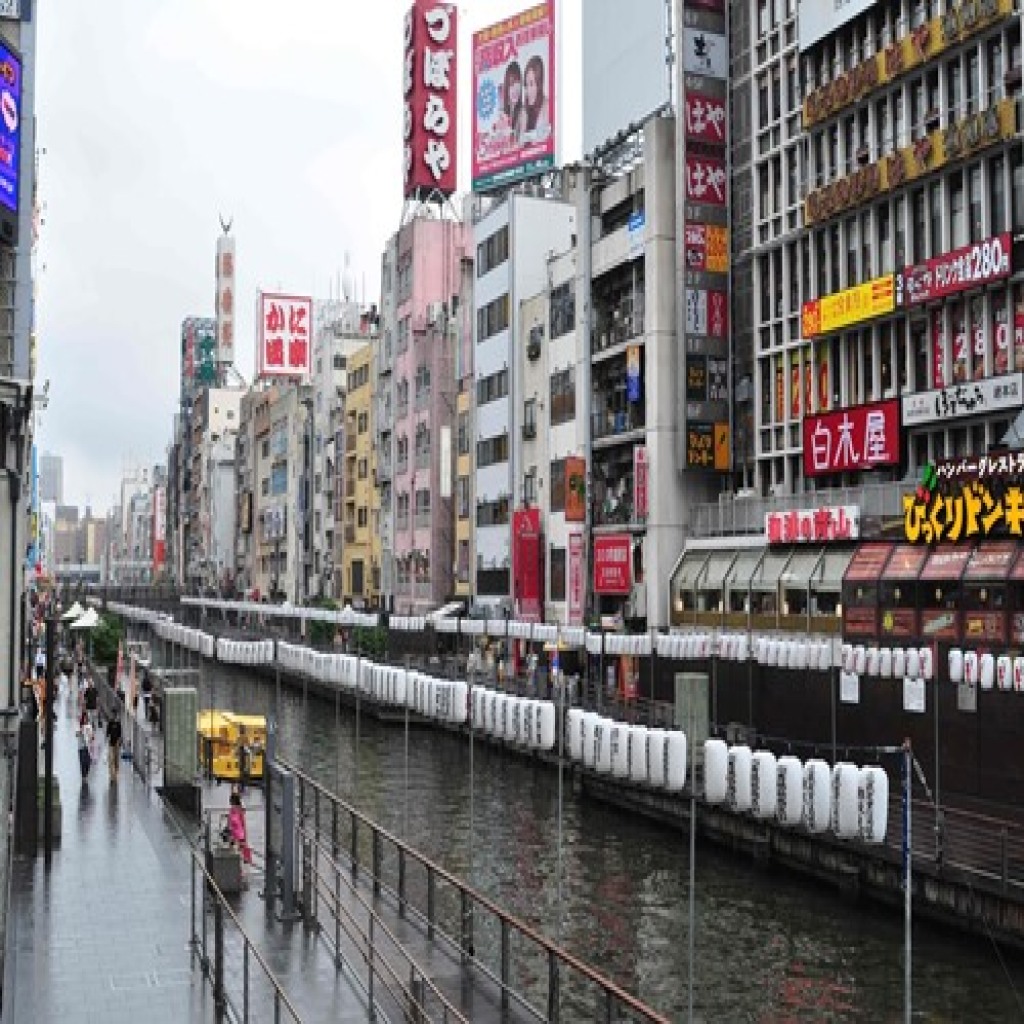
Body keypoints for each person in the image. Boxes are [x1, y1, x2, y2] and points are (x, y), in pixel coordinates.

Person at [523, 54, 550, 137]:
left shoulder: (548, 107)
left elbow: (546, 134)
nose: (528, 90)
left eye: (531, 84)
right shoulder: (524, 111)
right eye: (526, 85)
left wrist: (525, 137)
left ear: (539, 84)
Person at [226, 790, 252, 864]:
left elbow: (242, 823)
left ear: (234, 801)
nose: (230, 802)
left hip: (238, 833)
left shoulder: (239, 810)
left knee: (239, 849)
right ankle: (237, 863)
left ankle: (243, 861)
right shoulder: (232, 810)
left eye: (230, 800)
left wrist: (244, 835)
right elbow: (230, 821)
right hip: (235, 833)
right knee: (235, 849)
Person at [76, 712, 94, 781]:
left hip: (88, 747)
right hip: (81, 747)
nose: (85, 720)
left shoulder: (89, 726)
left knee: (88, 762)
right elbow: (76, 734)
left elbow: (92, 737)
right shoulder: (79, 726)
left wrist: (91, 736)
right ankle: (83, 776)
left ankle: (86, 774)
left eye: (86, 718)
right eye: (84, 719)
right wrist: (81, 731)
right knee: (83, 762)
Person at [105, 710, 122, 783]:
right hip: (110, 743)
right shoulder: (110, 723)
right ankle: (112, 776)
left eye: (114, 714)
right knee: (111, 759)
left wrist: (119, 741)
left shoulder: (118, 724)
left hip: (117, 744)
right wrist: (107, 739)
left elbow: (120, 734)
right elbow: (107, 733)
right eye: (113, 714)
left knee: (116, 760)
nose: (113, 716)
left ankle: (116, 772)